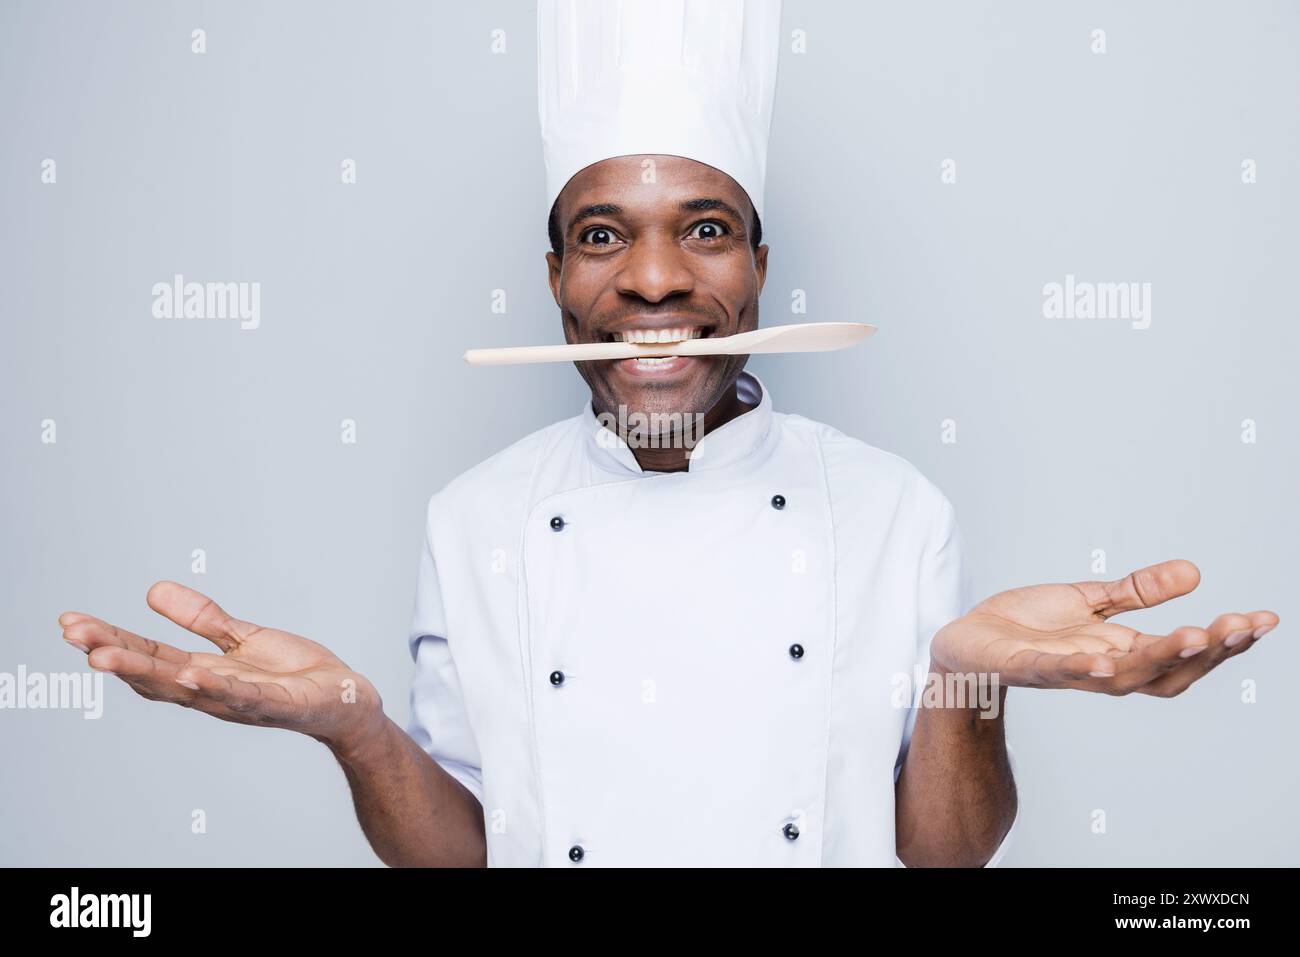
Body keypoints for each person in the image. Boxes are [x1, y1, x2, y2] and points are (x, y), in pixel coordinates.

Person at [57, 0, 1278, 867]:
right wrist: (357, 732)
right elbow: (465, 859)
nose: (653, 282)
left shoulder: (895, 506)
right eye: (602, 236)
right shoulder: (473, 518)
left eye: (704, 229)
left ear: (759, 268)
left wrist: (971, 676)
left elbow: (942, 858)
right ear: (551, 280)